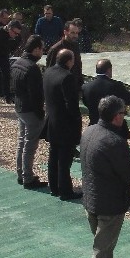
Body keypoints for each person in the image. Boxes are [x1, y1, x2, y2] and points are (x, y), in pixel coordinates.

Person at [80, 96, 130, 258]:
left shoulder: (89, 131)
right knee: (103, 248)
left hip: (91, 199)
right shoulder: (114, 142)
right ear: (117, 117)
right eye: (123, 113)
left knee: (104, 246)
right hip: (110, 203)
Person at [42, 49, 82, 200]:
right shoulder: (67, 77)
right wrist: (77, 121)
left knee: (53, 156)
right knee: (65, 160)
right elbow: (71, 104)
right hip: (65, 124)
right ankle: (65, 191)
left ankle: (54, 187)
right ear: (69, 61)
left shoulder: (49, 72)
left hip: (52, 121)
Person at [10, 34, 47, 189]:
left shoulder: (17, 63)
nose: (42, 52)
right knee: (30, 145)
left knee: (22, 141)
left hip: (20, 107)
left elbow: (11, 87)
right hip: (30, 110)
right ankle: (28, 177)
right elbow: (36, 95)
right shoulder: (32, 68)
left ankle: (21, 173)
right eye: (42, 49)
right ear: (36, 49)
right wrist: (40, 113)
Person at [81, 58, 130, 139]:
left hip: (94, 124)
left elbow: (85, 102)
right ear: (109, 70)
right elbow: (129, 100)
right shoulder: (116, 86)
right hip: (114, 128)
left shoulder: (86, 87)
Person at [46, 20, 84, 85]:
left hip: (75, 85)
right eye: (72, 33)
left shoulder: (76, 46)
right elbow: (49, 72)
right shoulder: (55, 49)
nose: (75, 36)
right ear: (65, 32)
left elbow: (78, 67)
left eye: (77, 33)